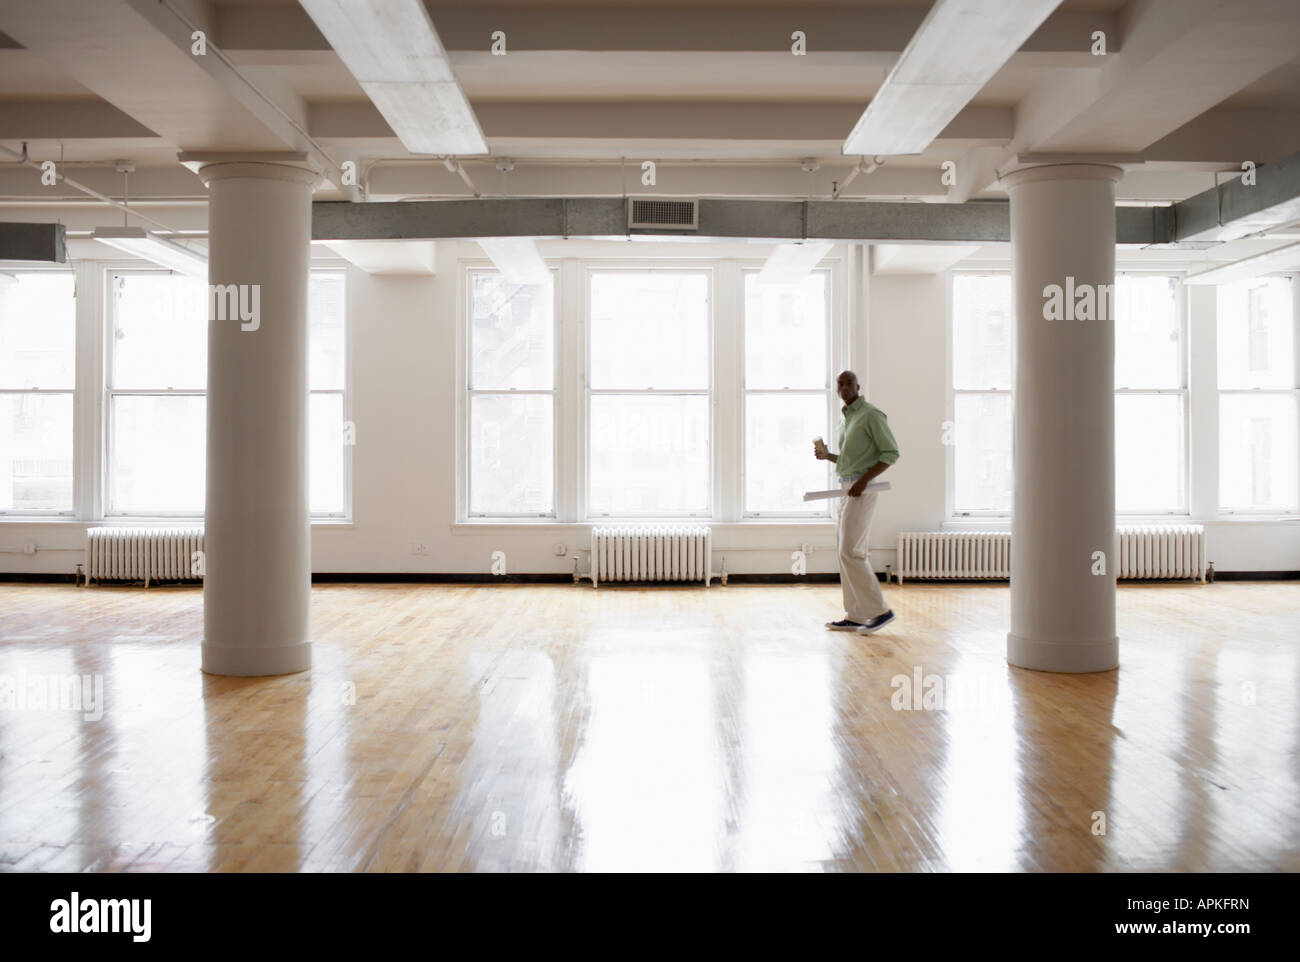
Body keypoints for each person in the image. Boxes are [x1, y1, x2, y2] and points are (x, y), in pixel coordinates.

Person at [813, 370, 899, 634]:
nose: (845, 387)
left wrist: (863, 482)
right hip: (847, 487)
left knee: (852, 551)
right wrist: (828, 456)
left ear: (858, 386)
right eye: (840, 384)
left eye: (849, 382)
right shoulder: (846, 420)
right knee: (844, 552)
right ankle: (855, 614)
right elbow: (852, 462)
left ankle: (880, 611)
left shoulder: (871, 415)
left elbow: (891, 453)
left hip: (863, 488)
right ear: (837, 389)